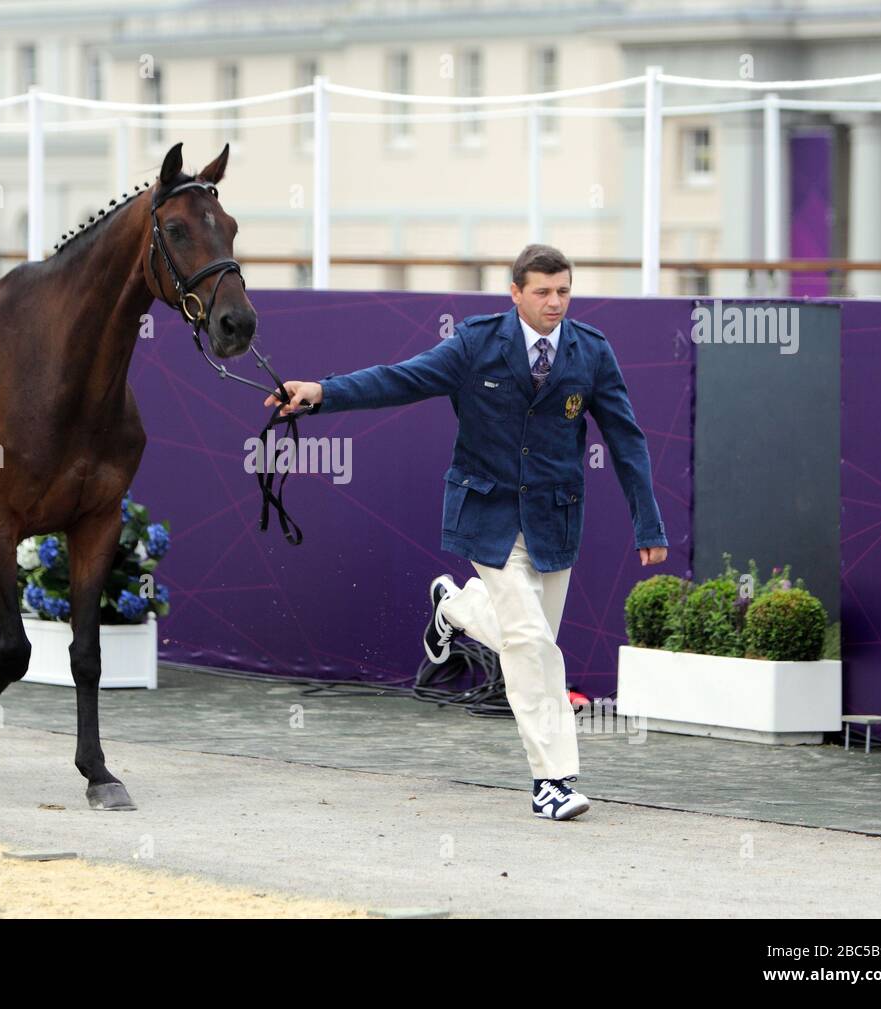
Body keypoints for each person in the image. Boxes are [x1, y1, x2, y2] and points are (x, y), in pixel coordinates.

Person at [264, 244, 669, 821]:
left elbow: (627, 440)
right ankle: (552, 781)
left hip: (555, 521)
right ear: (515, 293)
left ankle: (453, 610)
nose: (555, 303)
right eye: (543, 292)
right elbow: (400, 380)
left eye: (564, 292)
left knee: (526, 642)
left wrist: (646, 522)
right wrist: (322, 393)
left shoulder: (592, 353)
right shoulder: (477, 343)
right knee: (532, 643)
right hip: (489, 517)